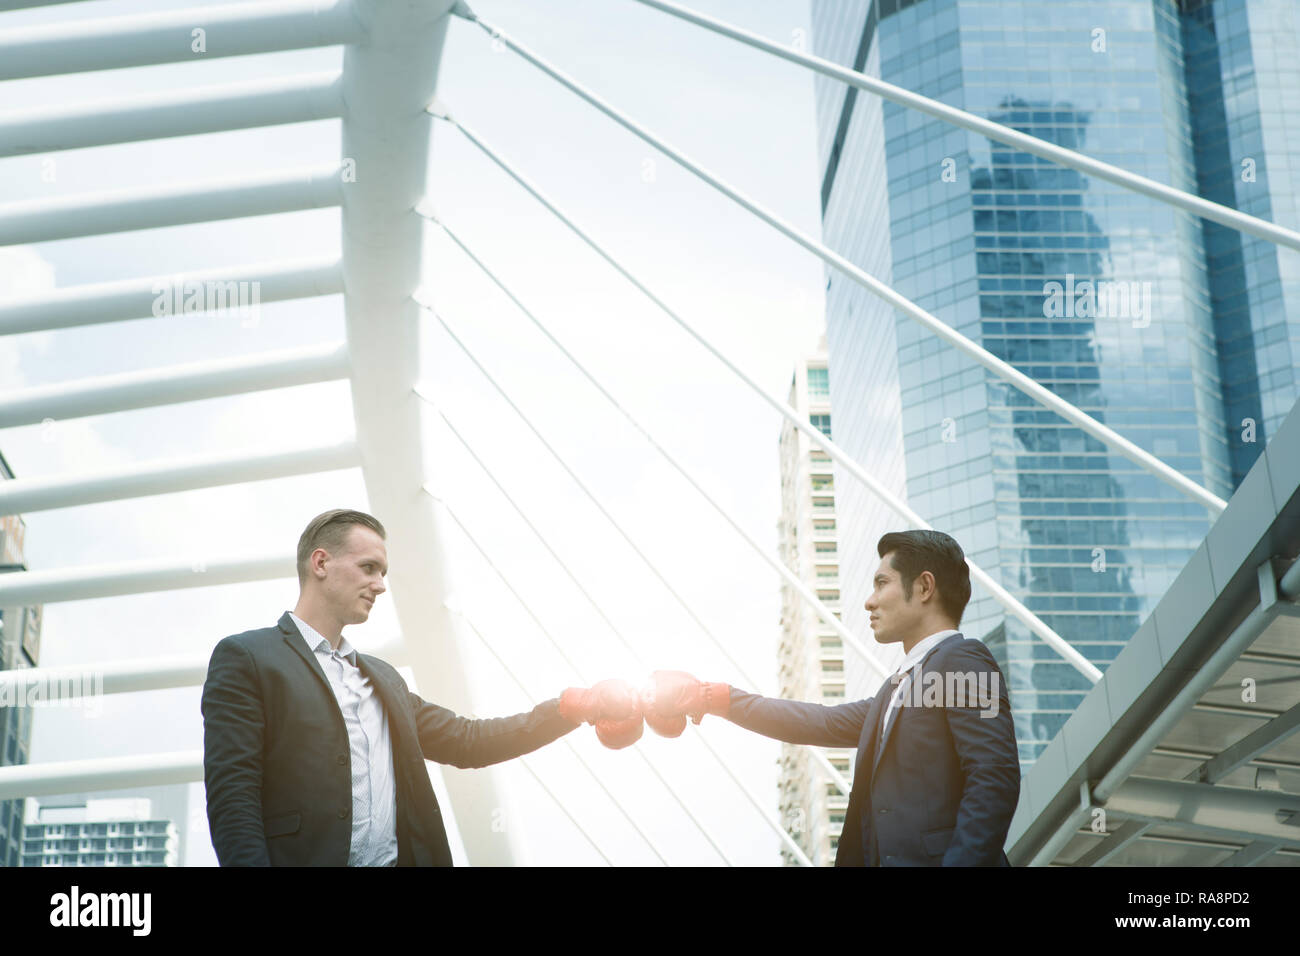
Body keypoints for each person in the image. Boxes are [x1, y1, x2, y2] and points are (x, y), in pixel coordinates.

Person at [201, 508, 641, 866]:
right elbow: (233, 801)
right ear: (321, 563)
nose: (381, 585)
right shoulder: (248, 659)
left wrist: (572, 708)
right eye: (369, 568)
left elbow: (469, 742)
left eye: (383, 572)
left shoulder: (382, 678)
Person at [643, 529, 1020, 866]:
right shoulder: (895, 691)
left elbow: (994, 777)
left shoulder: (966, 661)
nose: (869, 602)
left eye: (881, 583)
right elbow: (817, 722)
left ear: (924, 587)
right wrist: (714, 697)